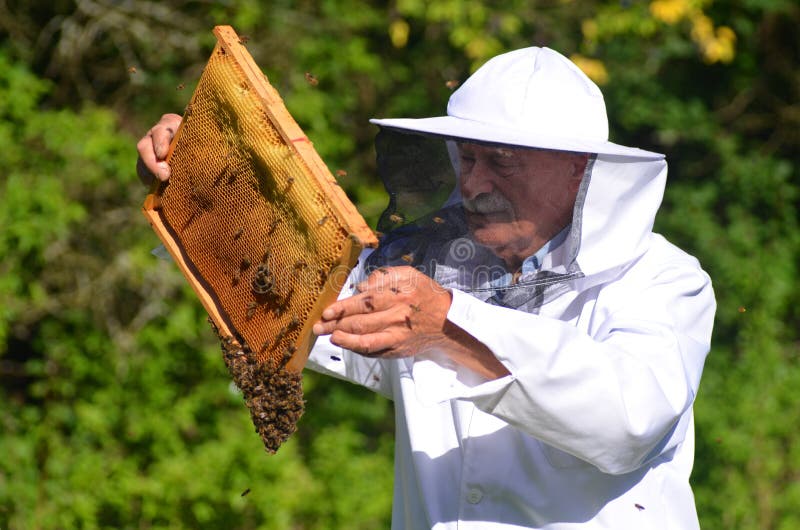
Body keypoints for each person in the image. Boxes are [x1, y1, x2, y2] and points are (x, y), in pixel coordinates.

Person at [138, 46, 715, 529]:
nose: (475, 183)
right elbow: (282, 289)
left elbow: (628, 421)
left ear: (578, 168)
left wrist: (449, 327)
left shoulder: (662, 281)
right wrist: (198, 178)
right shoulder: (424, 267)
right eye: (467, 157)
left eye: (503, 160)